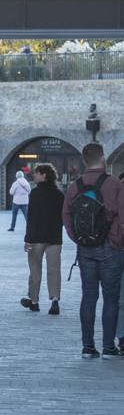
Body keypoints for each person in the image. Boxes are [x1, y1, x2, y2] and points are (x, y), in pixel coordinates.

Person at [63, 142, 124, 358]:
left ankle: (87, 347)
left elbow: (67, 217)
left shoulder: (75, 185)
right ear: (103, 158)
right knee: (111, 298)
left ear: (84, 161)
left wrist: (79, 239)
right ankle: (108, 346)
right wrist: (118, 240)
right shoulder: (114, 184)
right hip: (111, 248)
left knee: (88, 297)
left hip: (85, 249)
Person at [21, 163, 64, 316]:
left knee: (35, 269)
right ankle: (55, 300)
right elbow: (63, 217)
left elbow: (32, 218)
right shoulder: (59, 194)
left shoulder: (35, 193)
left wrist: (28, 239)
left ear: (44, 175)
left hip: (37, 238)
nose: (34, 175)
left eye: (36, 173)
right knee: (54, 270)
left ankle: (34, 302)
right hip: (54, 238)